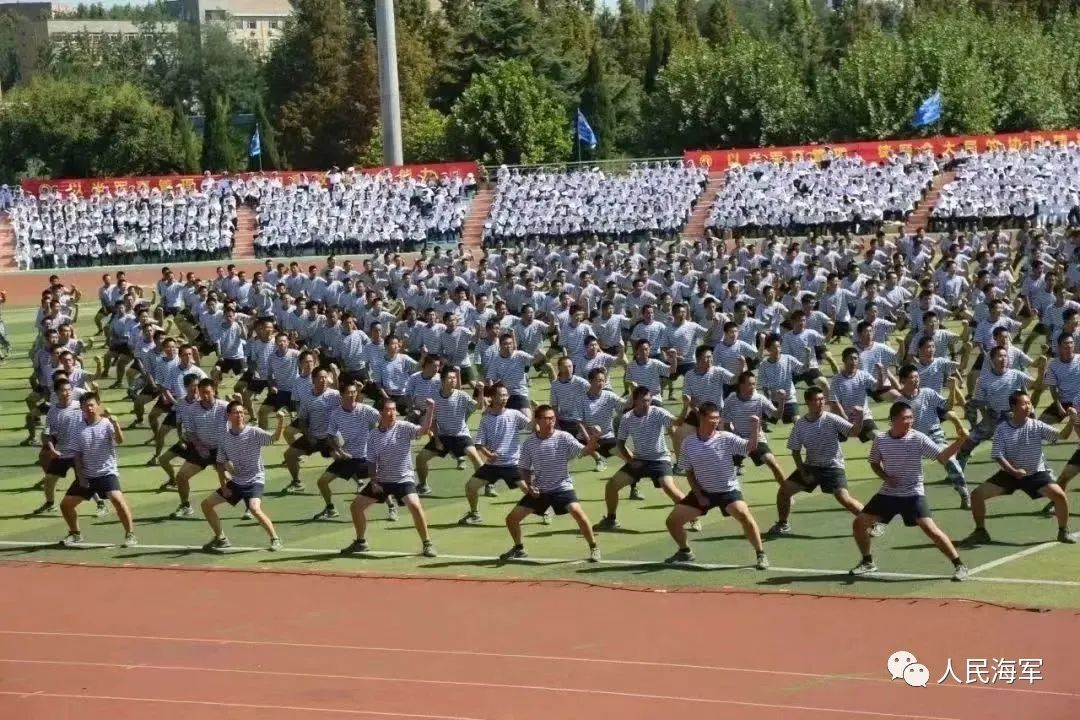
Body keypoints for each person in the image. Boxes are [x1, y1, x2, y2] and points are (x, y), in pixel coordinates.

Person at [851, 402, 970, 581]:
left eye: (911, 417)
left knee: (930, 529)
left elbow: (942, 457)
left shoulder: (918, 438)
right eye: (905, 418)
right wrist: (886, 477)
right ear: (893, 420)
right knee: (859, 523)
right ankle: (868, 562)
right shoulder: (881, 440)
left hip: (913, 493)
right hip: (889, 493)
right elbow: (874, 463)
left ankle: (959, 565)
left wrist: (960, 441)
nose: (909, 421)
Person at [960, 391, 1077, 546]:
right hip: (1009, 474)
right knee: (976, 495)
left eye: (1029, 403)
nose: (1028, 406)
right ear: (1013, 406)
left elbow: (1062, 436)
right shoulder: (1002, 429)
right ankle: (980, 532)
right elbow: (998, 455)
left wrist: (1071, 421)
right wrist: (1013, 472)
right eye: (1024, 403)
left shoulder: (1036, 425)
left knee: (1060, 496)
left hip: (1035, 473)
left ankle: (1063, 531)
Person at [663, 402, 769, 569]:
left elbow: (750, 447)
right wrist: (698, 495)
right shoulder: (688, 443)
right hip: (704, 491)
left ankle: (760, 554)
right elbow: (689, 471)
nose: (716, 421)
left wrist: (755, 427)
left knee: (744, 516)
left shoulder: (726, 438)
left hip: (728, 490)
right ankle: (685, 551)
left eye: (718, 418)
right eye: (712, 418)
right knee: (672, 521)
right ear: (701, 417)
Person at [769, 387, 885, 538]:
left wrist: (860, 417)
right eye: (817, 400)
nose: (821, 402)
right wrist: (803, 471)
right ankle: (783, 524)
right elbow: (795, 451)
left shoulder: (831, 418)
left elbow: (854, 432)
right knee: (784, 491)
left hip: (833, 466)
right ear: (808, 403)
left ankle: (874, 523)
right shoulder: (800, 425)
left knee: (844, 499)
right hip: (811, 466)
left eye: (823, 399)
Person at [500, 404, 601, 562]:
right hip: (540, 489)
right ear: (538, 420)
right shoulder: (529, 443)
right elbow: (524, 469)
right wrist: (529, 485)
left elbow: (584, 451)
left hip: (562, 486)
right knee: (511, 519)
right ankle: (519, 548)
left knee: (578, 513)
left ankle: (594, 547)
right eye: (546, 418)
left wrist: (594, 438)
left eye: (553, 418)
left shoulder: (564, 437)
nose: (551, 421)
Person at [339, 396, 438, 558]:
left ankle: (427, 544)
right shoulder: (373, 436)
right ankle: (360, 542)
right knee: (355, 507)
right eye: (388, 410)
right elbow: (371, 462)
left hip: (403, 479)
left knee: (415, 505)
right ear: (381, 413)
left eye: (394, 410)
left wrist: (430, 409)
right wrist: (373, 479)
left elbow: (424, 430)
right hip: (382, 480)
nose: (392, 413)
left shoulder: (404, 427)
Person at [200, 401, 287, 552]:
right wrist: (223, 486)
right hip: (237, 481)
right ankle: (220, 538)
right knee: (206, 505)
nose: (239, 415)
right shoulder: (224, 438)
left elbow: (274, 438)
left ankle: (275, 539)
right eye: (235, 412)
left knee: (254, 508)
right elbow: (220, 463)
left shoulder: (254, 432)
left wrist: (280, 421)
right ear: (228, 416)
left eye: (241, 412)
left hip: (255, 479)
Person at [58, 394, 138, 548]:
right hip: (88, 474)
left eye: (92, 405)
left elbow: (120, 440)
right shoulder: (77, 429)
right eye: (86, 406)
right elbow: (77, 455)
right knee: (66, 505)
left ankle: (130, 534)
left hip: (106, 472)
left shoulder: (107, 423)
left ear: (98, 405)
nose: (89, 408)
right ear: (81, 408)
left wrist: (116, 424)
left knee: (117, 500)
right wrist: (81, 477)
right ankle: (75, 534)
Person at [459, 382, 531, 525]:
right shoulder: (486, 419)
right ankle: (474, 514)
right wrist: (488, 454)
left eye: (505, 395)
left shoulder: (515, 415)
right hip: (493, 465)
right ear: (492, 397)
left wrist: (535, 413)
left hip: (512, 464)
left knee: (529, 491)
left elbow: (531, 426)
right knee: (470, 487)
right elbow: (479, 443)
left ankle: (544, 511)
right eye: (500, 395)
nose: (504, 398)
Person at [312, 382, 382, 520]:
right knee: (322, 482)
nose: (352, 395)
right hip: (347, 457)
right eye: (349, 392)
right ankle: (330, 509)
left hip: (365, 457)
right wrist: (340, 451)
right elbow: (331, 436)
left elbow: (384, 420)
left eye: (354, 392)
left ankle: (392, 507)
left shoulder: (366, 410)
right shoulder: (336, 414)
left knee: (378, 482)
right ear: (342, 395)